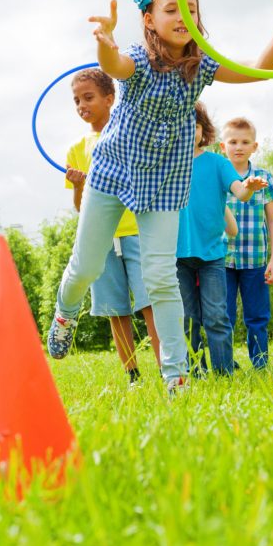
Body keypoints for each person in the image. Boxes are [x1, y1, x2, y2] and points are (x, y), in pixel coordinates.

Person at [46, 0, 273, 394]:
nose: (183, 17)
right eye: (172, 9)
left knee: (161, 278)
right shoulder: (136, 57)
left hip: (165, 183)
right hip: (114, 171)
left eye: (191, 10)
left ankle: (176, 375)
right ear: (149, 20)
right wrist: (106, 39)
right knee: (87, 266)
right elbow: (113, 65)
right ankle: (64, 313)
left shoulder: (200, 65)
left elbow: (258, 72)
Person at [63, 67, 161, 384]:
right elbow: (81, 209)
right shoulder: (77, 150)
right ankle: (133, 374)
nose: (81, 105)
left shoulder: (127, 135)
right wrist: (79, 186)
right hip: (102, 240)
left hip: (136, 231)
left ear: (110, 98)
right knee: (114, 309)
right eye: (76, 100)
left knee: (150, 303)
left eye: (88, 97)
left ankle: (166, 369)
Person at [177, 103, 264, 376]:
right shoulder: (167, 165)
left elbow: (240, 192)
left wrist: (247, 187)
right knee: (188, 318)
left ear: (204, 131)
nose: (188, 129)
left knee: (216, 316)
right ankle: (195, 371)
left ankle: (224, 372)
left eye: (195, 124)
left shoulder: (217, 163)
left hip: (212, 254)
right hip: (177, 255)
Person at [222, 116, 273, 369]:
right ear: (222, 147)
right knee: (221, 316)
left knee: (257, 316)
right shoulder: (219, 175)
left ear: (254, 147)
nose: (239, 147)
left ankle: (260, 364)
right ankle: (223, 364)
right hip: (221, 259)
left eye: (245, 142)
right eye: (233, 141)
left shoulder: (263, 177)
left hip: (255, 260)